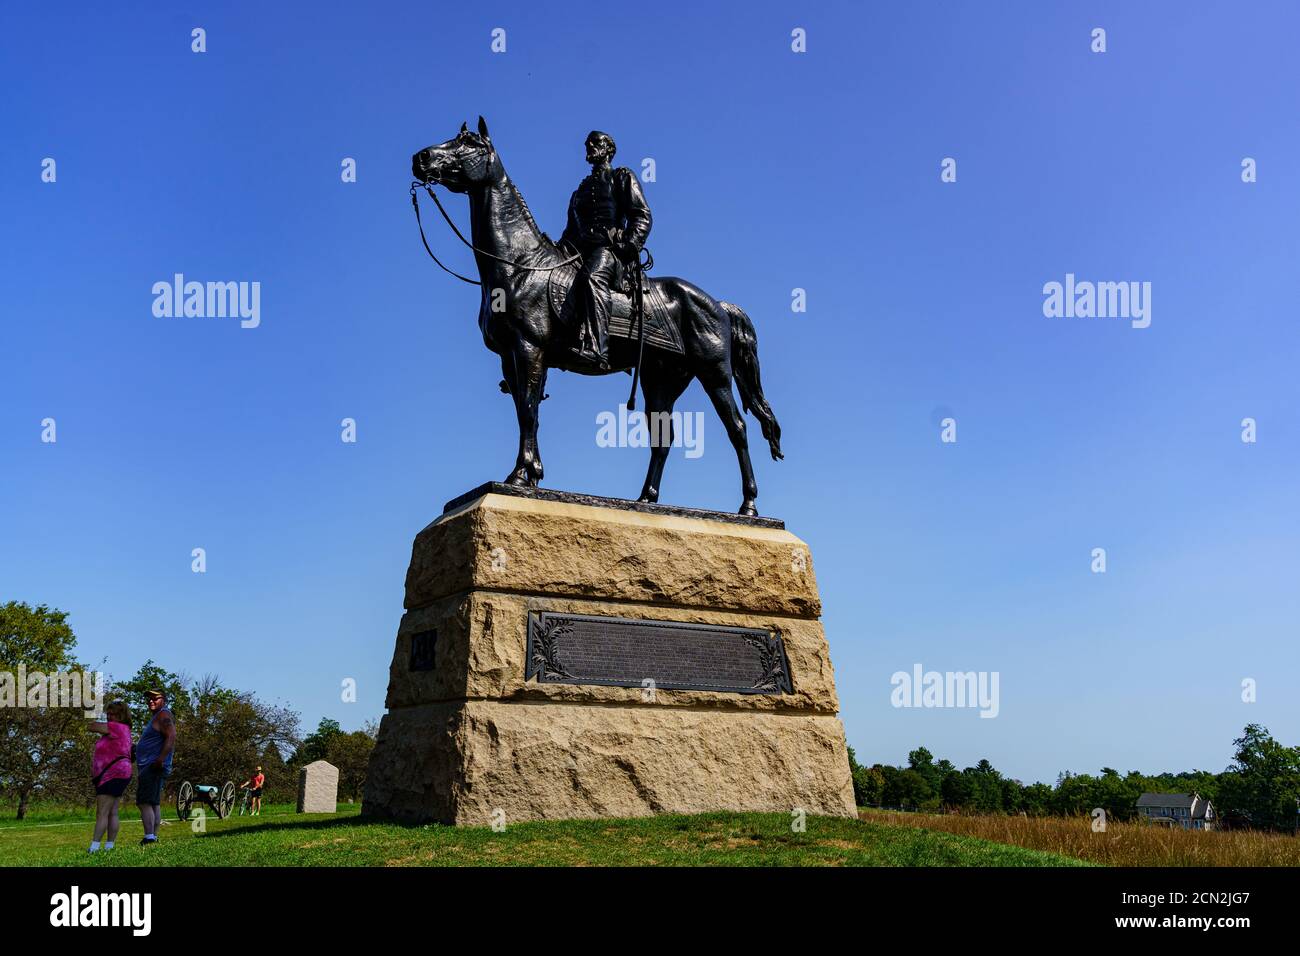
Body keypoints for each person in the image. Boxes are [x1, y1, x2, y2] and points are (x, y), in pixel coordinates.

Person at [559, 130, 652, 370]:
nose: (589, 146)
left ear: (608, 149)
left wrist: (629, 245)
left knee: (592, 277)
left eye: (595, 142)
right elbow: (569, 232)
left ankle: (597, 348)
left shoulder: (622, 177)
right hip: (578, 252)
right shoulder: (578, 192)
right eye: (587, 143)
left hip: (610, 251)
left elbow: (642, 216)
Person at [87, 701, 133, 853]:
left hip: (112, 774)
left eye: (112, 713)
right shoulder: (121, 730)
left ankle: (94, 847)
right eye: (108, 713)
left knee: (102, 812)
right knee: (112, 811)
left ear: (121, 715)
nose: (108, 716)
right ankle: (109, 846)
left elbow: (92, 726)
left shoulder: (118, 727)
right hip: (116, 774)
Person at [135, 689, 175, 846]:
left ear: (163, 700)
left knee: (144, 802)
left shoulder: (163, 715)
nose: (151, 701)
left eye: (155, 698)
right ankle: (153, 836)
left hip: (153, 766)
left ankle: (149, 837)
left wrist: (160, 759)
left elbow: (171, 736)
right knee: (153, 803)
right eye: (149, 699)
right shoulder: (159, 716)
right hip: (152, 765)